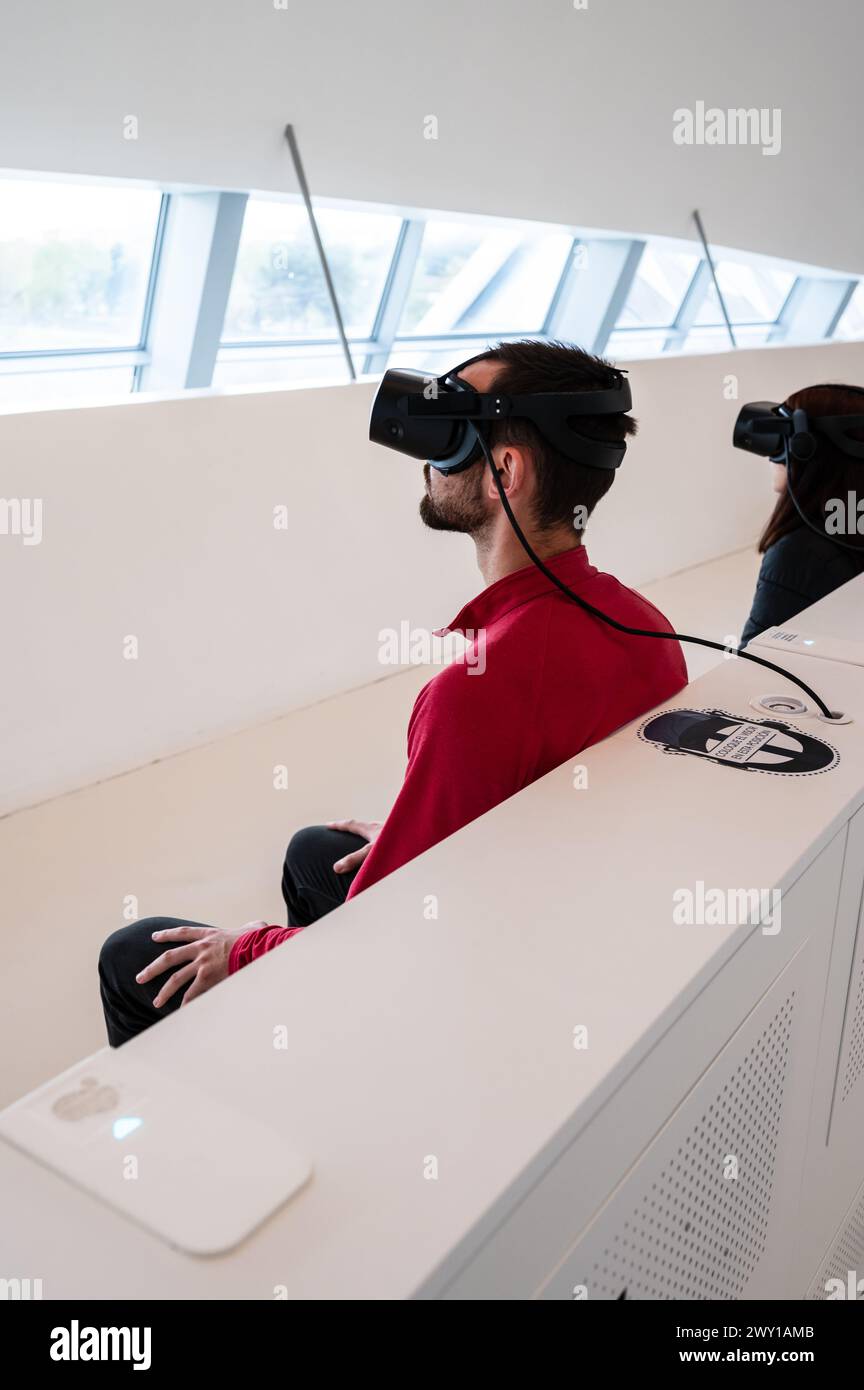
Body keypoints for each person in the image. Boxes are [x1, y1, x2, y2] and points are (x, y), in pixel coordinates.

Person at [99, 339, 687, 1046]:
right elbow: (555, 808)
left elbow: (386, 942)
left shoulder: (475, 690)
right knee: (317, 849)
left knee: (133, 956)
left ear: (506, 469)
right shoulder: (648, 627)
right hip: (558, 933)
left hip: (458, 995)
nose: (427, 459)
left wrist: (242, 948)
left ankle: (289, 1085)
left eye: (451, 434)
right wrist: (422, 835)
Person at [740, 383, 864, 646]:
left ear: (804, 448)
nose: (772, 456)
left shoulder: (801, 554)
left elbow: (756, 664)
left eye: (781, 443)